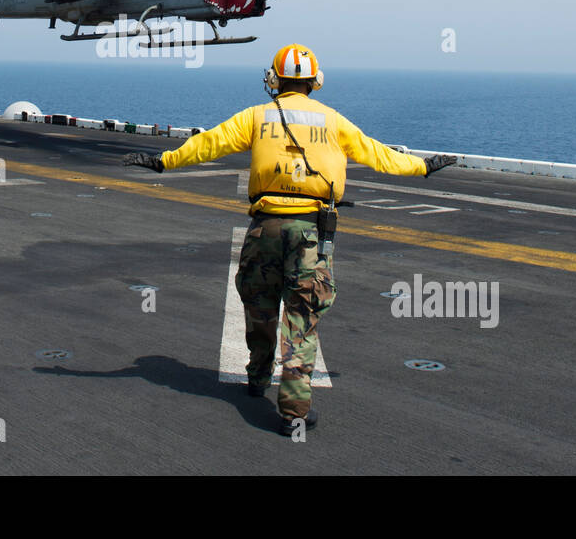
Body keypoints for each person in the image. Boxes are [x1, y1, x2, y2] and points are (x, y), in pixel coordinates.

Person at [124, 44, 457, 435]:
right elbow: (378, 154)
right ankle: (294, 412)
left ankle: (257, 376)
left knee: (259, 306)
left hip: (265, 228)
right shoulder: (333, 121)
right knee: (301, 318)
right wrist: (422, 167)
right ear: (314, 81)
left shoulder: (257, 116)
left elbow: (208, 143)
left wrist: (164, 160)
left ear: (276, 79)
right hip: (312, 233)